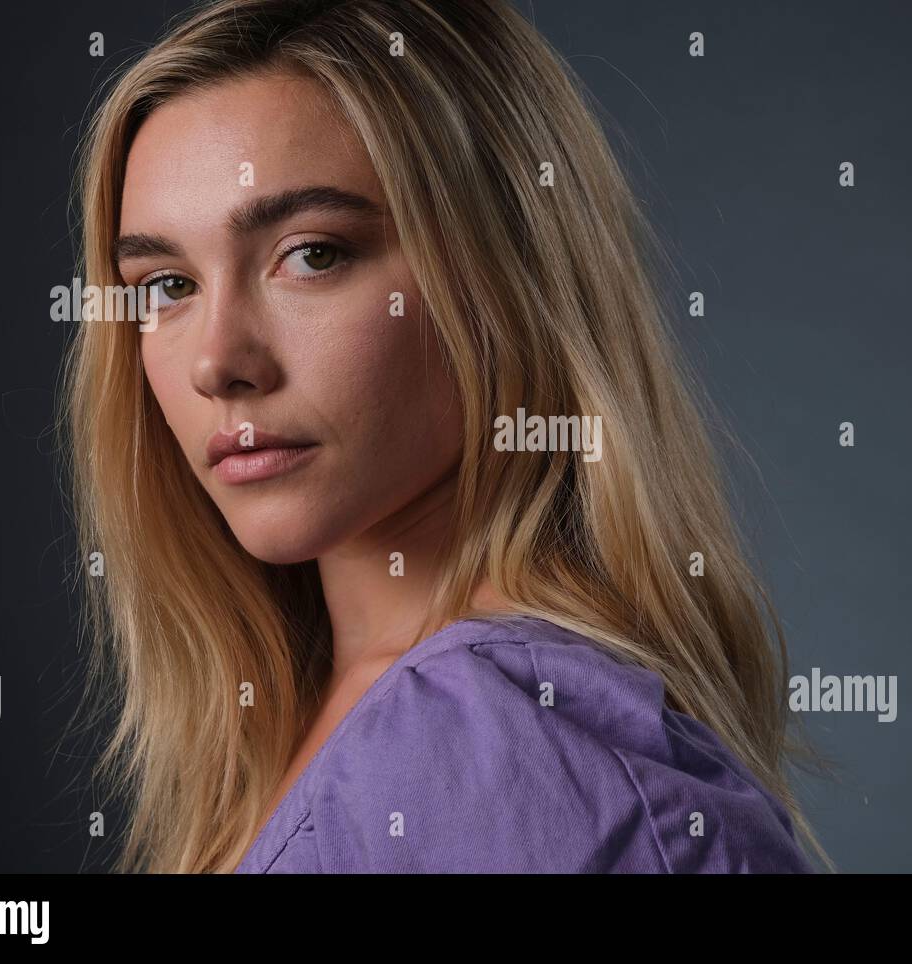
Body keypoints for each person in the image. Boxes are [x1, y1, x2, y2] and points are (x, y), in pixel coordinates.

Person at [64, 0, 830, 873]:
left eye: (312, 254)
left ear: (505, 277)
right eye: (166, 284)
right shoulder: (295, 728)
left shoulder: (500, 735)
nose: (216, 362)